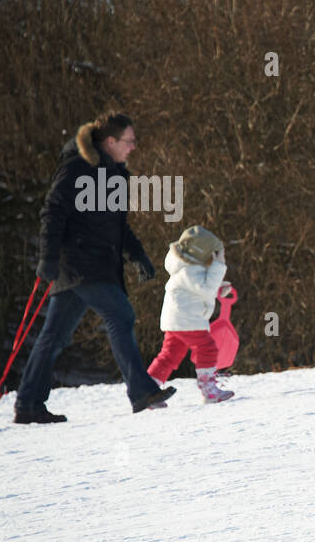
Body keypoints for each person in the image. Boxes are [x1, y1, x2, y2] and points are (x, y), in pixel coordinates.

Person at [15, 113, 175, 422]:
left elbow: (117, 226)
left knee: (54, 336)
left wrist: (137, 253)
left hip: (95, 265)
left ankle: (28, 404)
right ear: (110, 141)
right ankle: (141, 391)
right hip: (79, 262)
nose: (133, 148)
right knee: (121, 314)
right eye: (129, 141)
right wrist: (47, 258)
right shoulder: (77, 168)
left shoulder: (114, 174)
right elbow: (53, 211)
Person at [147, 226, 235, 403]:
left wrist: (217, 287)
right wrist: (219, 266)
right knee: (207, 348)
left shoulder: (186, 268)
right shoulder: (189, 270)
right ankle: (209, 390)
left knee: (169, 355)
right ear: (203, 254)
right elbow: (205, 288)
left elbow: (201, 288)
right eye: (215, 254)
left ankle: (147, 389)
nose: (217, 258)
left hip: (177, 320)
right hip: (188, 321)